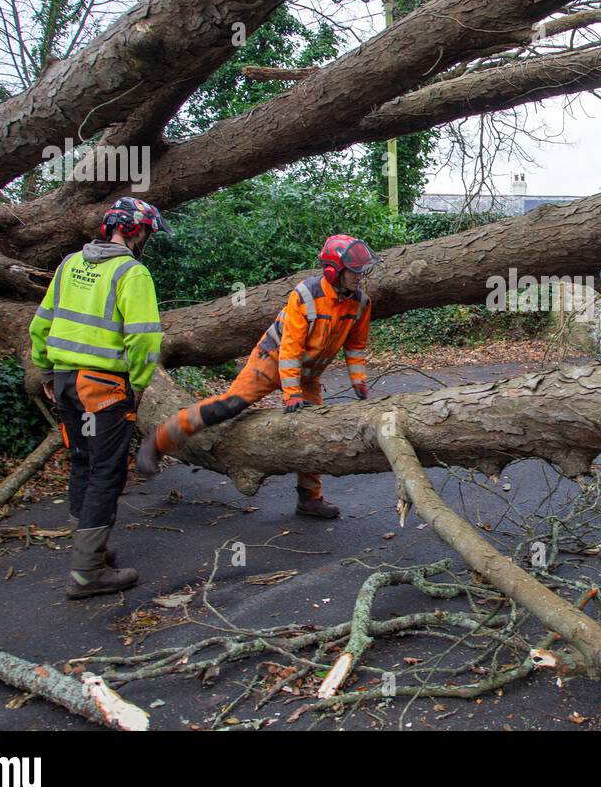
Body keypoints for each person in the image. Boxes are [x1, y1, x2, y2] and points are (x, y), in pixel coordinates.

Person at [136, 234, 378, 519]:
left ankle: (310, 499)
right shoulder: (306, 295)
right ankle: (160, 440)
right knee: (229, 405)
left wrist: (358, 379)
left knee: (313, 428)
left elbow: (355, 344)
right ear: (333, 270)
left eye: (363, 270)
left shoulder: (360, 303)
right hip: (272, 360)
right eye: (355, 270)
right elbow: (290, 347)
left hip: (309, 374)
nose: (361, 276)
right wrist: (291, 394)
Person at [29, 196, 171, 600]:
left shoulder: (70, 263)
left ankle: (92, 548)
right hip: (104, 387)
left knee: (82, 462)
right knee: (107, 471)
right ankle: (87, 572)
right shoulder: (132, 272)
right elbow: (144, 338)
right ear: (134, 230)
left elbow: (41, 323)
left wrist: (47, 371)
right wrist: (139, 384)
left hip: (67, 383)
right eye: (146, 232)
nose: (146, 239)